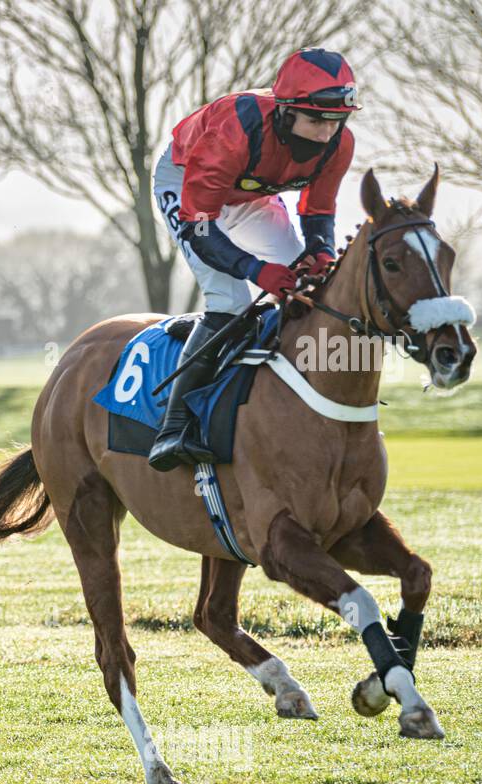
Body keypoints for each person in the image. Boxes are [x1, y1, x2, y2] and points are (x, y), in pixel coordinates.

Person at [148, 48, 359, 471]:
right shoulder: (235, 130)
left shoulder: (340, 143)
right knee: (228, 297)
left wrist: (318, 252)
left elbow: (318, 211)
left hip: (249, 196)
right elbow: (202, 229)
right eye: (316, 120)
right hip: (189, 186)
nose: (325, 134)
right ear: (284, 112)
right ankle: (173, 428)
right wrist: (257, 270)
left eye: (336, 121)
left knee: (309, 287)